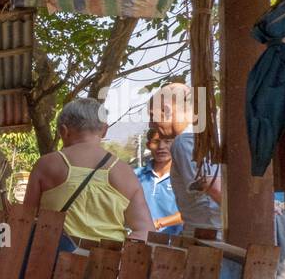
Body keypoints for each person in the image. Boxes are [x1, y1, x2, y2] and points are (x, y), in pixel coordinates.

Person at [21, 97, 153, 244]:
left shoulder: (47, 165)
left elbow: (25, 219)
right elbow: (145, 231)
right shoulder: (125, 172)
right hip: (106, 261)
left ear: (63, 131)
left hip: (52, 259)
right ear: (104, 130)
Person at [149, 82, 221, 238]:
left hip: (207, 239)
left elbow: (213, 186)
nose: (150, 124)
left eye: (152, 115)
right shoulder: (208, 135)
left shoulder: (185, 140)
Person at [136, 128, 183, 235]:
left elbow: (191, 213)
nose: (161, 147)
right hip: (139, 241)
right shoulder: (135, 176)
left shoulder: (184, 177)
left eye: (167, 141)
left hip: (174, 244)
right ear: (148, 145)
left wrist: (158, 223)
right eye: (156, 142)